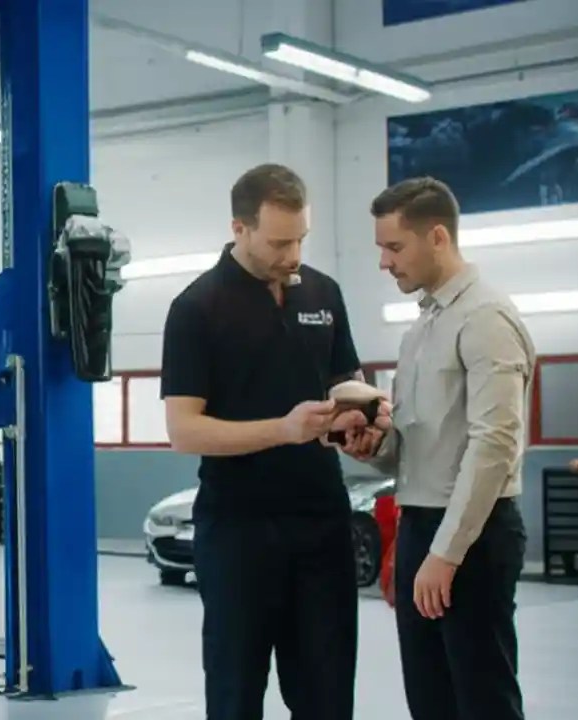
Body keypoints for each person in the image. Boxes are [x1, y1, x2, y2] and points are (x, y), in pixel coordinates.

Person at [160, 163, 384, 719]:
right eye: (280, 242)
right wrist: (283, 430)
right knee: (237, 694)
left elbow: (342, 381)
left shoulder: (324, 292)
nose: (293, 255)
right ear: (240, 229)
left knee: (327, 694)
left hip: (320, 520)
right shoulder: (196, 309)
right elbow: (184, 430)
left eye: (302, 238)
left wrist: (367, 415)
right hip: (239, 529)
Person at [343, 176, 534, 720]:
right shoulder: (424, 325)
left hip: (471, 534)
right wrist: (375, 448)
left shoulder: (486, 318)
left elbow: (494, 445)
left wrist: (446, 553)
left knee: (482, 699)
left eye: (394, 247)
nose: (384, 262)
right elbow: (422, 440)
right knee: (430, 699)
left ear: (439, 239)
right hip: (422, 523)